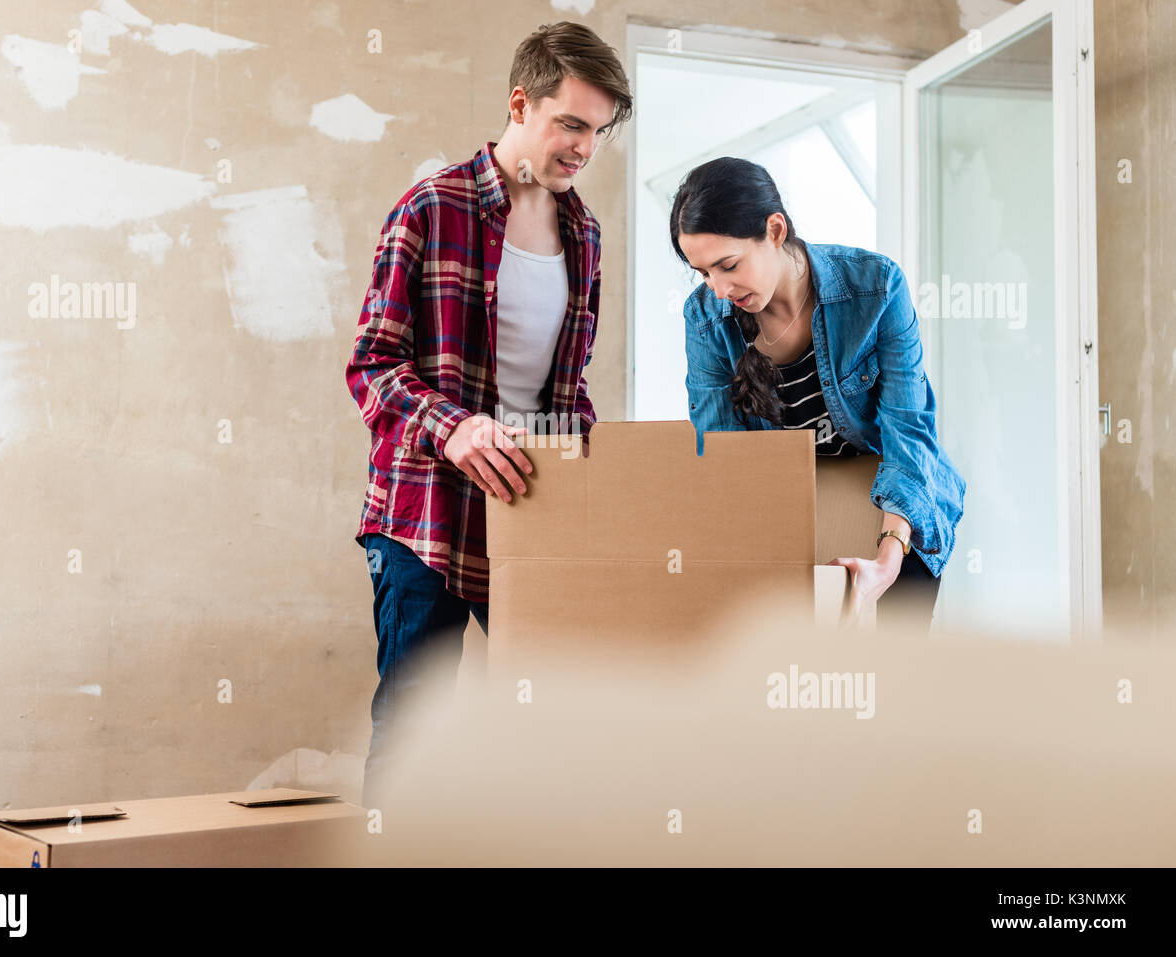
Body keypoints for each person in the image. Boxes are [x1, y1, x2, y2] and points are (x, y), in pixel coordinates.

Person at [345, 21, 632, 807]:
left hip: (531, 514)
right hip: (425, 521)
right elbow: (372, 366)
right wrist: (456, 425)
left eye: (598, 133)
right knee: (413, 735)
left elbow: (566, 391)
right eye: (570, 124)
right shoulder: (431, 207)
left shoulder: (585, 235)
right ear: (519, 103)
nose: (583, 148)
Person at [671, 157, 966, 635]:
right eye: (703, 273)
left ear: (774, 229)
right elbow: (721, 452)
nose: (720, 290)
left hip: (893, 505)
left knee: (891, 672)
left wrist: (888, 559)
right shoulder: (705, 318)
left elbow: (908, 430)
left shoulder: (875, 287)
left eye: (728, 265)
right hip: (788, 511)